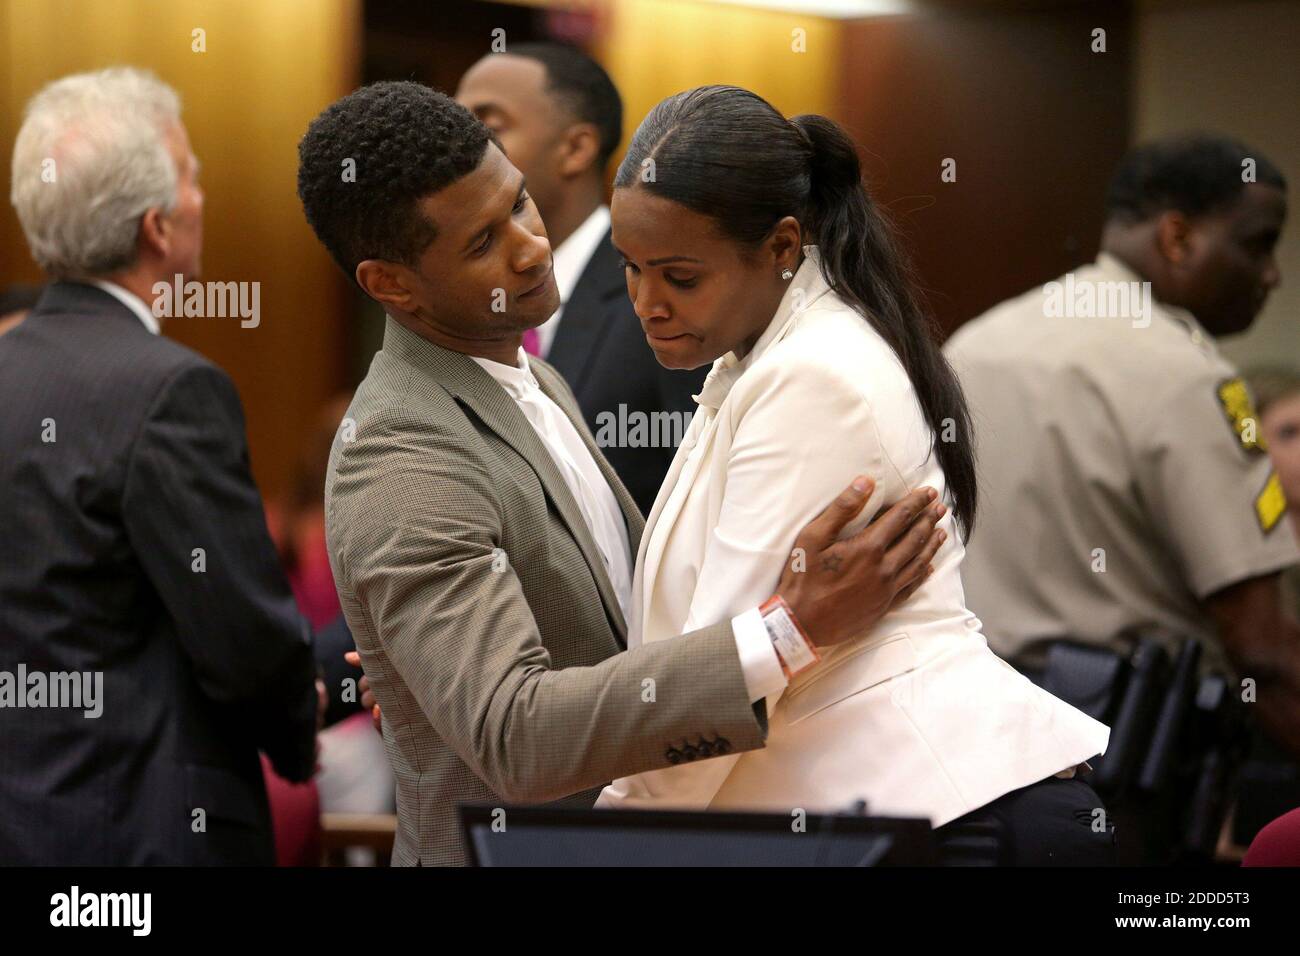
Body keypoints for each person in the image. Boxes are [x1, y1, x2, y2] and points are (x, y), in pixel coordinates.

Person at [296, 81, 945, 867]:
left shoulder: (529, 376)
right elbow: (515, 734)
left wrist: (424, 670)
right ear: (390, 284)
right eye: (480, 242)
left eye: (520, 204)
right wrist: (786, 632)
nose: (531, 245)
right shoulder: (400, 450)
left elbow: (610, 631)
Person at [583, 86, 1111, 866]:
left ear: (784, 246)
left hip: (956, 822)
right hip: (908, 813)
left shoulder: (815, 374)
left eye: (680, 277)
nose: (646, 303)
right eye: (631, 270)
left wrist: (597, 845)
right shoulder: (769, 353)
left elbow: (727, 676)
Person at [0, 67, 320, 865]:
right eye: (192, 176)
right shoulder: (172, 390)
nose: (201, 195)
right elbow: (242, 639)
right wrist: (299, 732)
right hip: (136, 840)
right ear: (159, 227)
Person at [944, 135, 1300, 762]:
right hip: (1123, 753)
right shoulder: (1189, 375)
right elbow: (1260, 645)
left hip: (967, 740)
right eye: (1258, 244)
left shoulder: (974, 345)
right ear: (1178, 239)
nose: (1271, 274)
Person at [456, 43, 706, 515]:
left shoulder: (664, 290)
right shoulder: (458, 298)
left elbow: (700, 494)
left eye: (487, 128)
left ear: (575, 148)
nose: (457, 150)